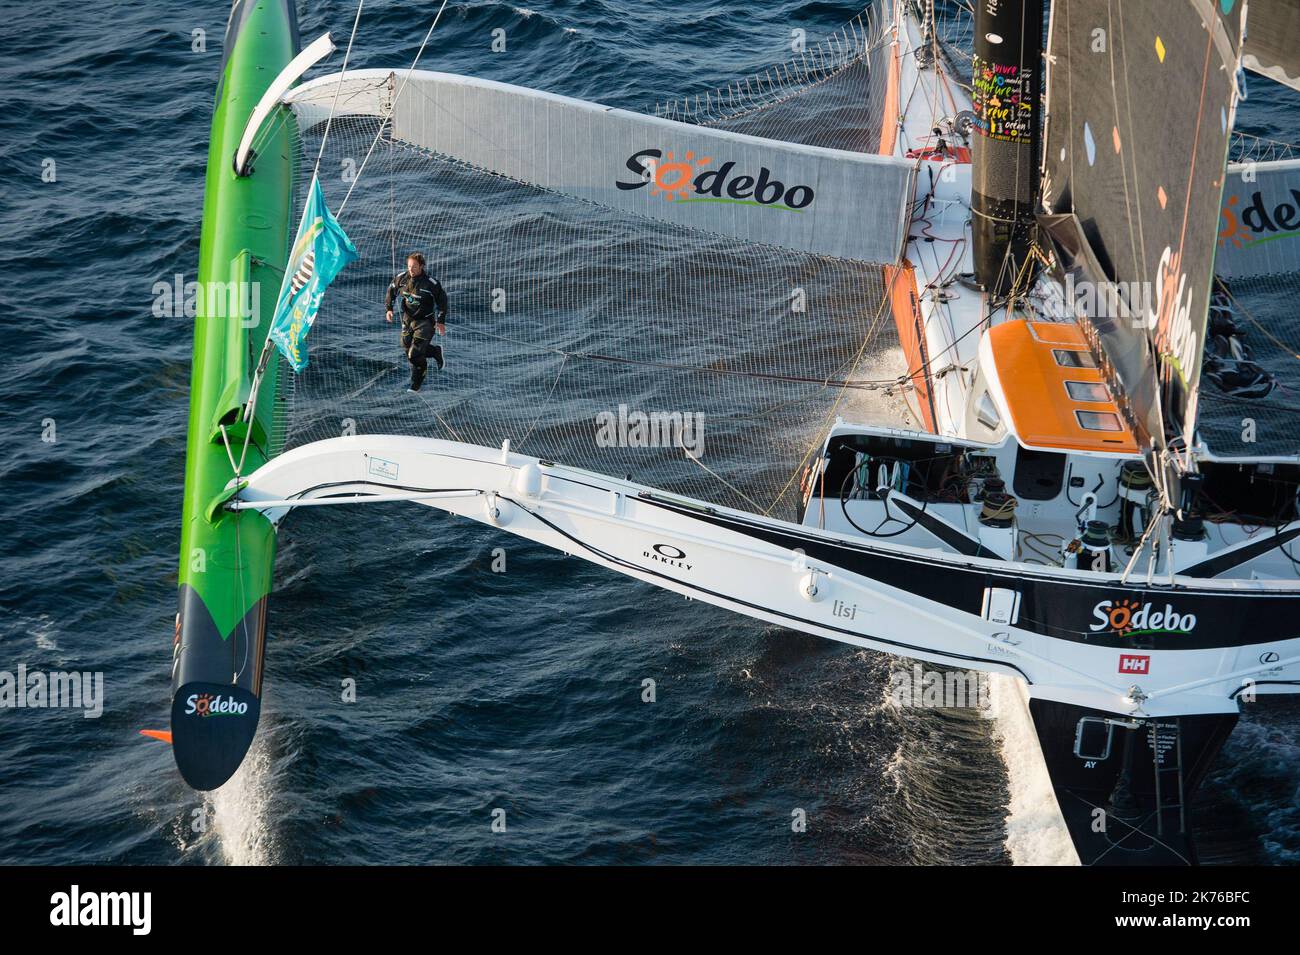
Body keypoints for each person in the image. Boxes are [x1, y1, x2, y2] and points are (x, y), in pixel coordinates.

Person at [385, 252, 448, 392]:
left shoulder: (431, 283)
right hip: (408, 319)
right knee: (406, 345)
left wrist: (441, 321)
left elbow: (442, 301)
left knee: (414, 355)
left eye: (414, 267)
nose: (411, 270)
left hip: (425, 321)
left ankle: (418, 380)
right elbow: (391, 290)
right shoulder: (402, 278)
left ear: (421, 266)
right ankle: (435, 351)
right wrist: (389, 309)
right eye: (409, 266)